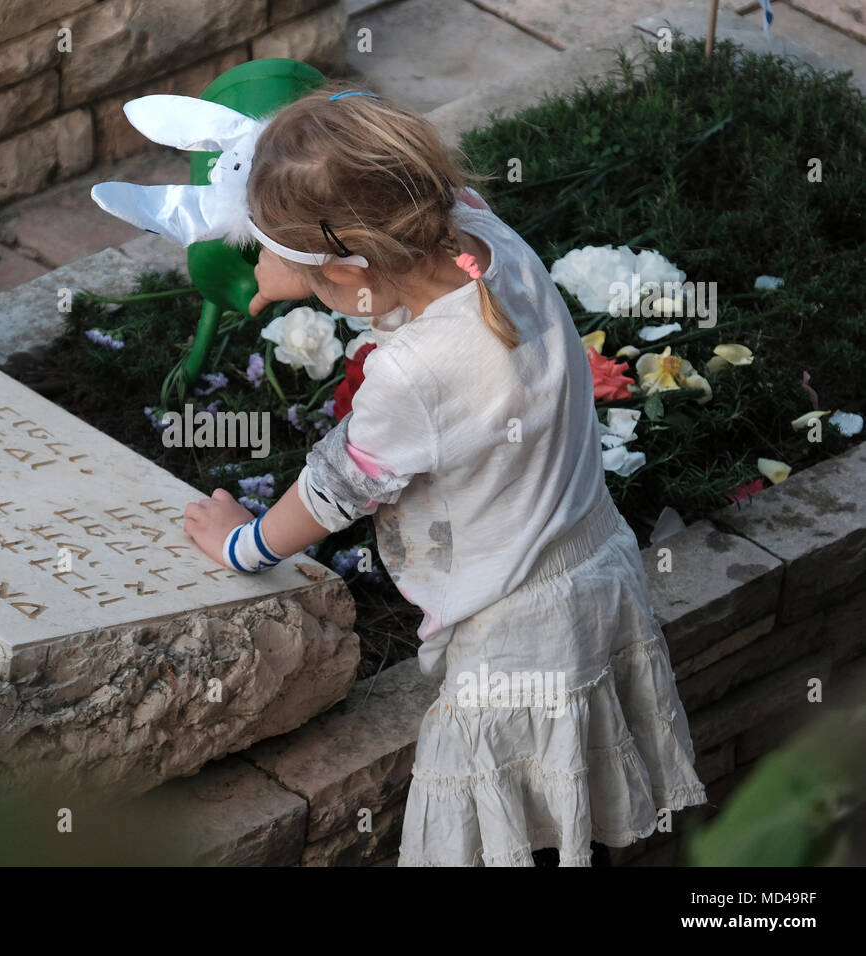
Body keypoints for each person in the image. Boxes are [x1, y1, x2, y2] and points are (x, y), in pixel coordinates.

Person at [182, 83, 707, 867]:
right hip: (596, 569)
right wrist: (296, 260)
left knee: (505, 837)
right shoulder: (483, 239)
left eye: (285, 259)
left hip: (511, 635)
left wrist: (243, 546)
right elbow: (387, 214)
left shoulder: (413, 376)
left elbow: (331, 495)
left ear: (346, 270)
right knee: (579, 808)